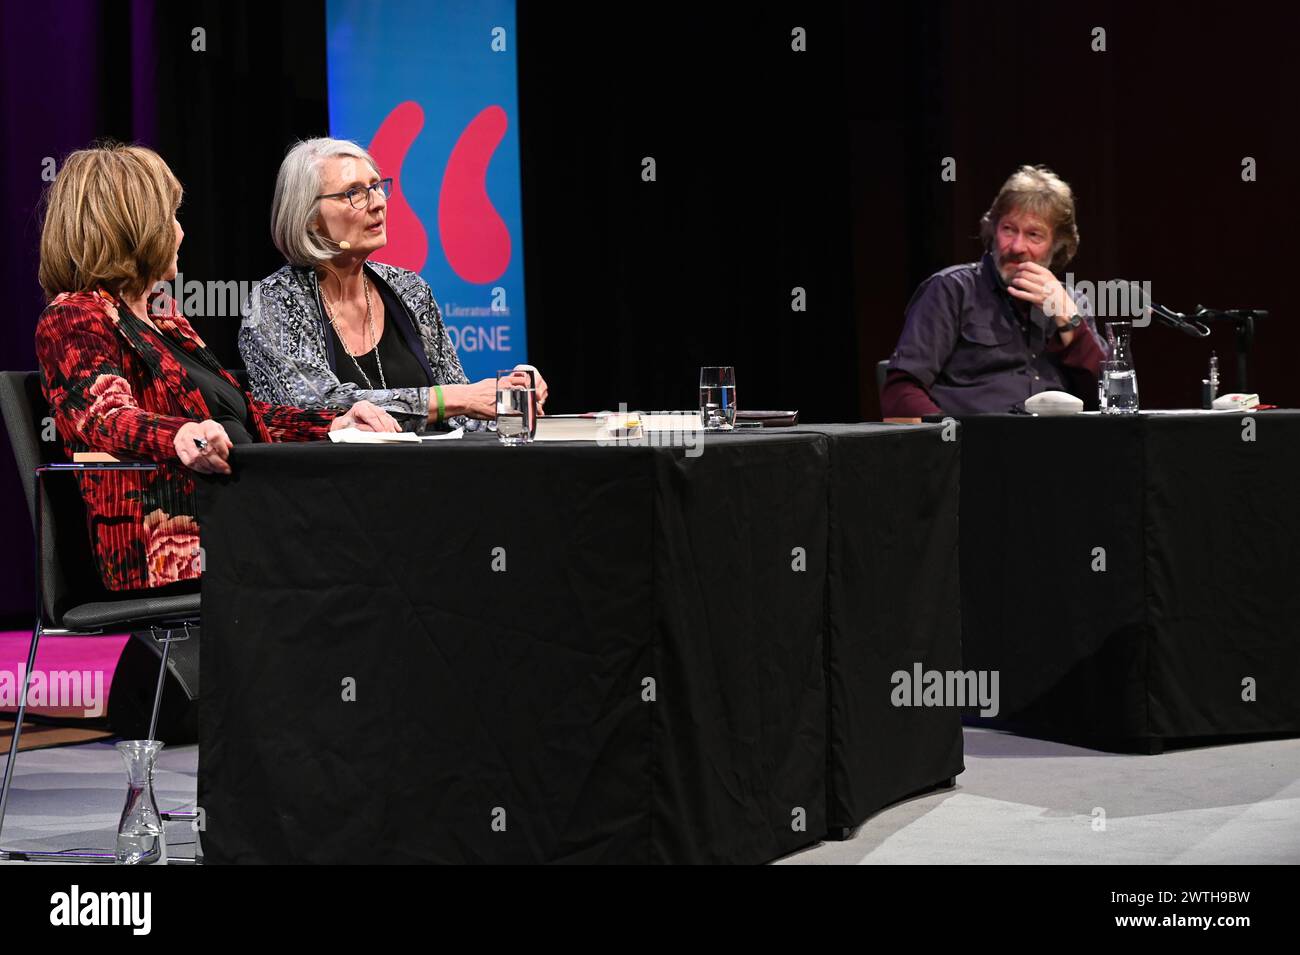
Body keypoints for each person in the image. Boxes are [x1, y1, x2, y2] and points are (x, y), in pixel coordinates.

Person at [35, 142, 399, 592]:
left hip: (241, 516)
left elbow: (249, 417)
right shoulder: (74, 316)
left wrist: (336, 425)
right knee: (372, 557)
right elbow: (104, 419)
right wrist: (180, 435)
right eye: (170, 218)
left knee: (388, 535)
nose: (181, 233)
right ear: (134, 229)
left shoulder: (168, 322)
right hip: (171, 540)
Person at [239, 137, 547, 431]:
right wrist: (453, 399)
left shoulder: (409, 289)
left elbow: (462, 416)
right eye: (354, 193)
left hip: (428, 477)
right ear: (309, 218)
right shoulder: (274, 301)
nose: (377, 204)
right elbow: (319, 410)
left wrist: (512, 398)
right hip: (335, 480)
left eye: (376, 187)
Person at [882, 165, 1107, 421]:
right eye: (1008, 229)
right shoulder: (951, 290)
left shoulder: (1072, 302)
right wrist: (954, 441)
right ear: (993, 230)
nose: (1017, 246)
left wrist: (1070, 323)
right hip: (973, 450)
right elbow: (900, 392)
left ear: (1057, 246)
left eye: (1033, 235)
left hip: (1057, 448)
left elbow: (1109, 399)